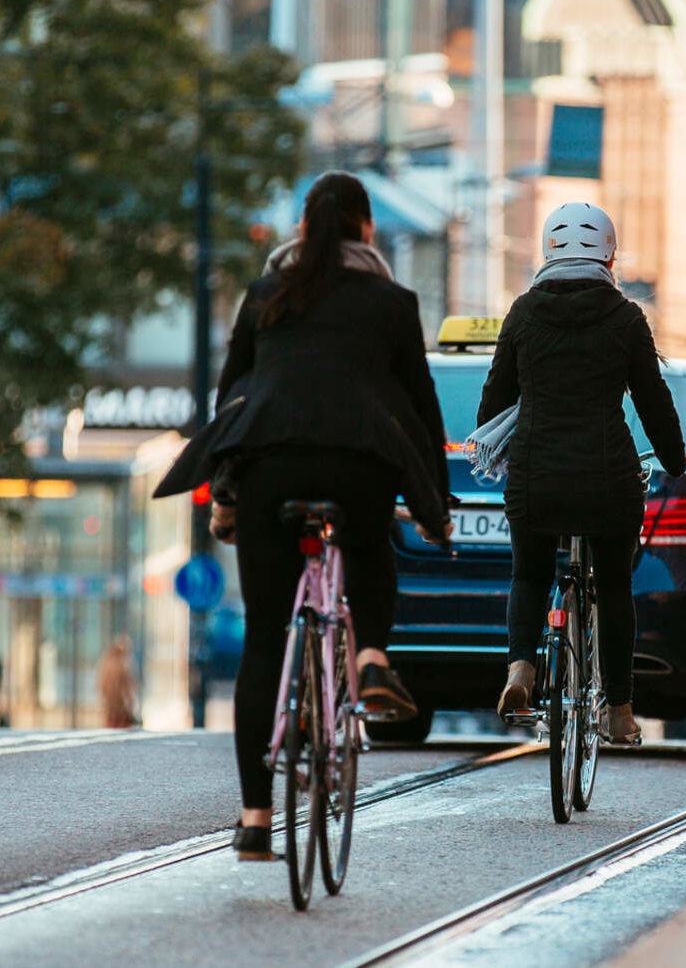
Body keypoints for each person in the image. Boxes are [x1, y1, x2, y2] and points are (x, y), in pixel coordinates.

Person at [155, 170, 453, 862]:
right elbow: (420, 408)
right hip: (360, 459)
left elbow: (233, 398)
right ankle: (372, 655)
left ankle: (256, 818)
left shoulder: (266, 295)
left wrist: (225, 496)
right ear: (366, 228)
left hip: (269, 464)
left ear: (300, 230)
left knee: (264, 637)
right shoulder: (393, 301)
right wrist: (433, 503)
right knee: (372, 545)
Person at [476, 201, 686, 748]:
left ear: (547, 250)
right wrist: (676, 462)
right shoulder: (626, 318)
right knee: (615, 588)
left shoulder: (522, 313)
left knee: (528, 575)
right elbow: (653, 403)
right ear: (611, 255)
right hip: (607, 481)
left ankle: (521, 668)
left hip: (535, 476)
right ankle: (618, 711)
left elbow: (493, 405)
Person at [95, 633, 138, 729]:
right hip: (120, 707)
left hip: (110, 706)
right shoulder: (123, 667)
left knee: (111, 727)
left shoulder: (105, 665)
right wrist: (130, 704)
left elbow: (100, 686)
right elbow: (129, 689)